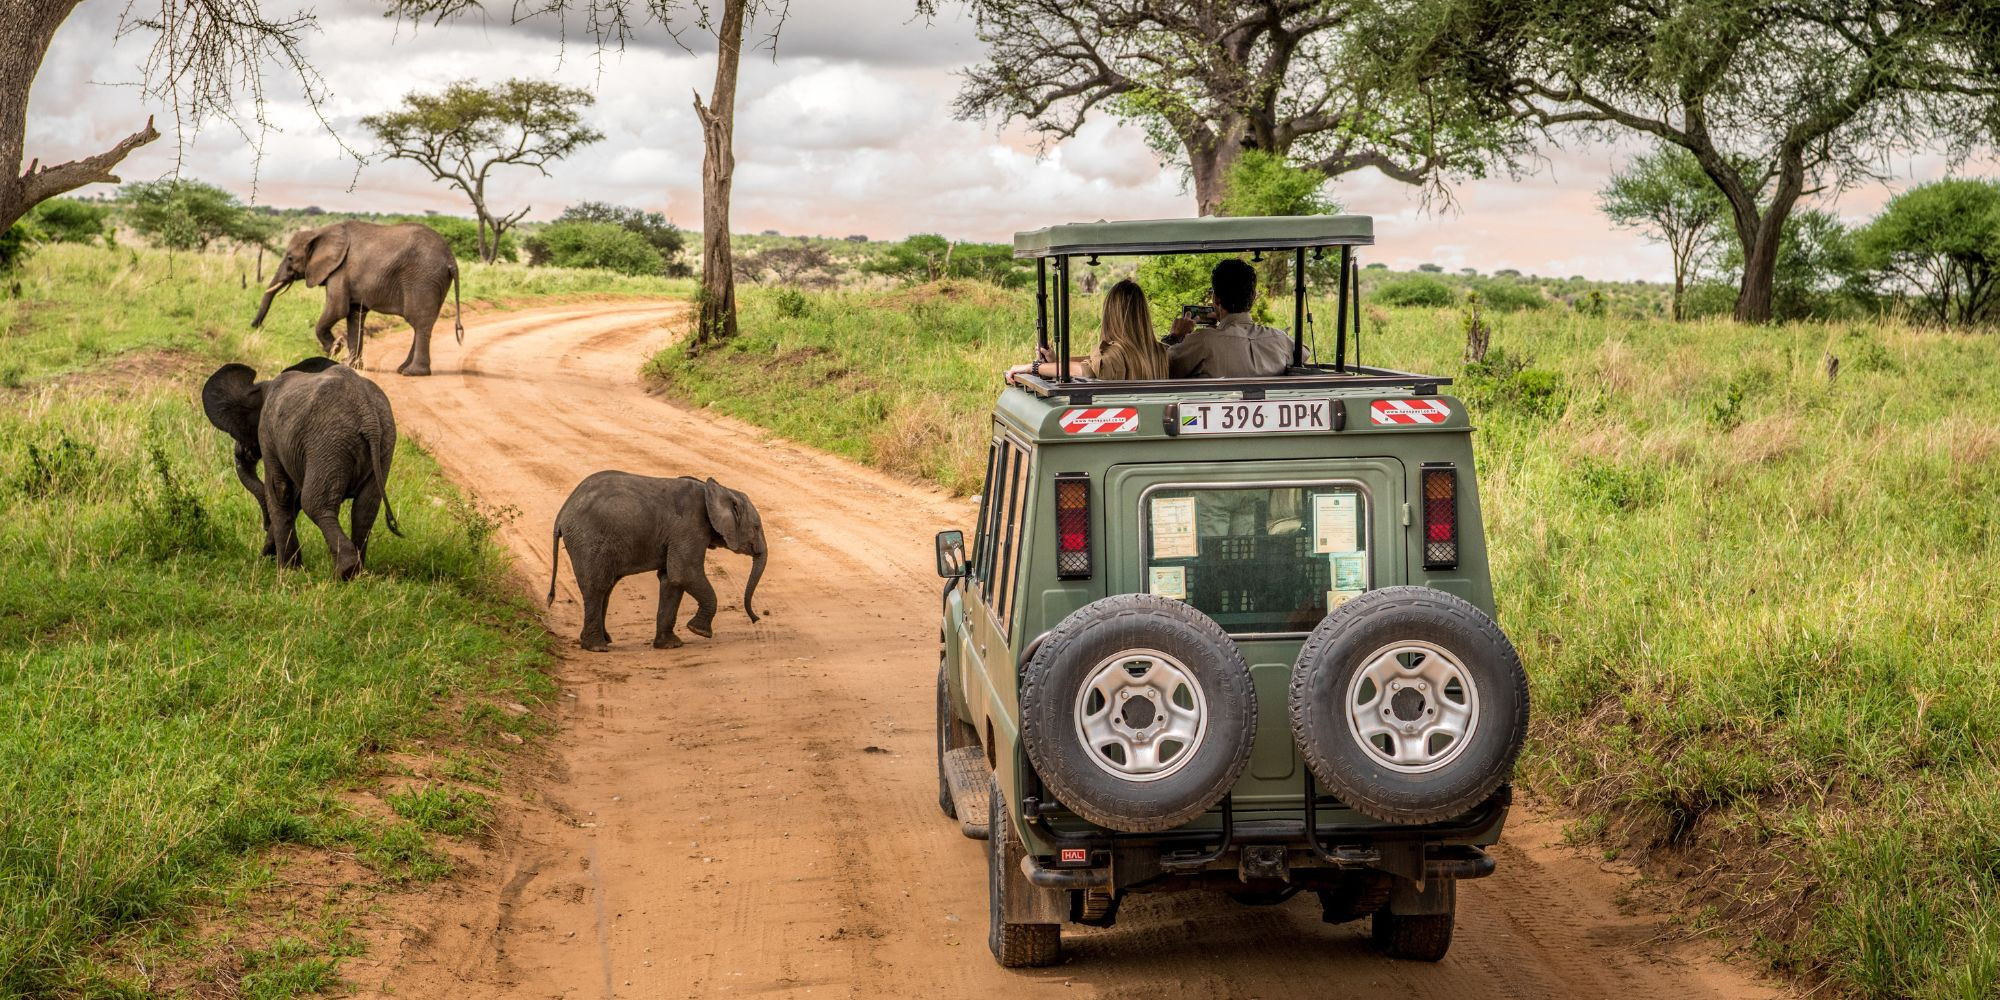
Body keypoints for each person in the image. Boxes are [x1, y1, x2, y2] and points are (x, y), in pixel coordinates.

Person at [1006, 278, 1171, 383]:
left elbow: (1088, 370)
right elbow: (1094, 362)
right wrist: (1056, 361)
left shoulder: (1116, 352)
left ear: (1111, 313)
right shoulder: (1159, 351)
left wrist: (1031, 368)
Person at [1165, 258, 1295, 378]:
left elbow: (1160, 366)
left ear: (1216, 299)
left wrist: (1175, 336)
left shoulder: (1203, 341)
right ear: (1254, 296)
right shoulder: (1281, 339)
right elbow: (1303, 353)